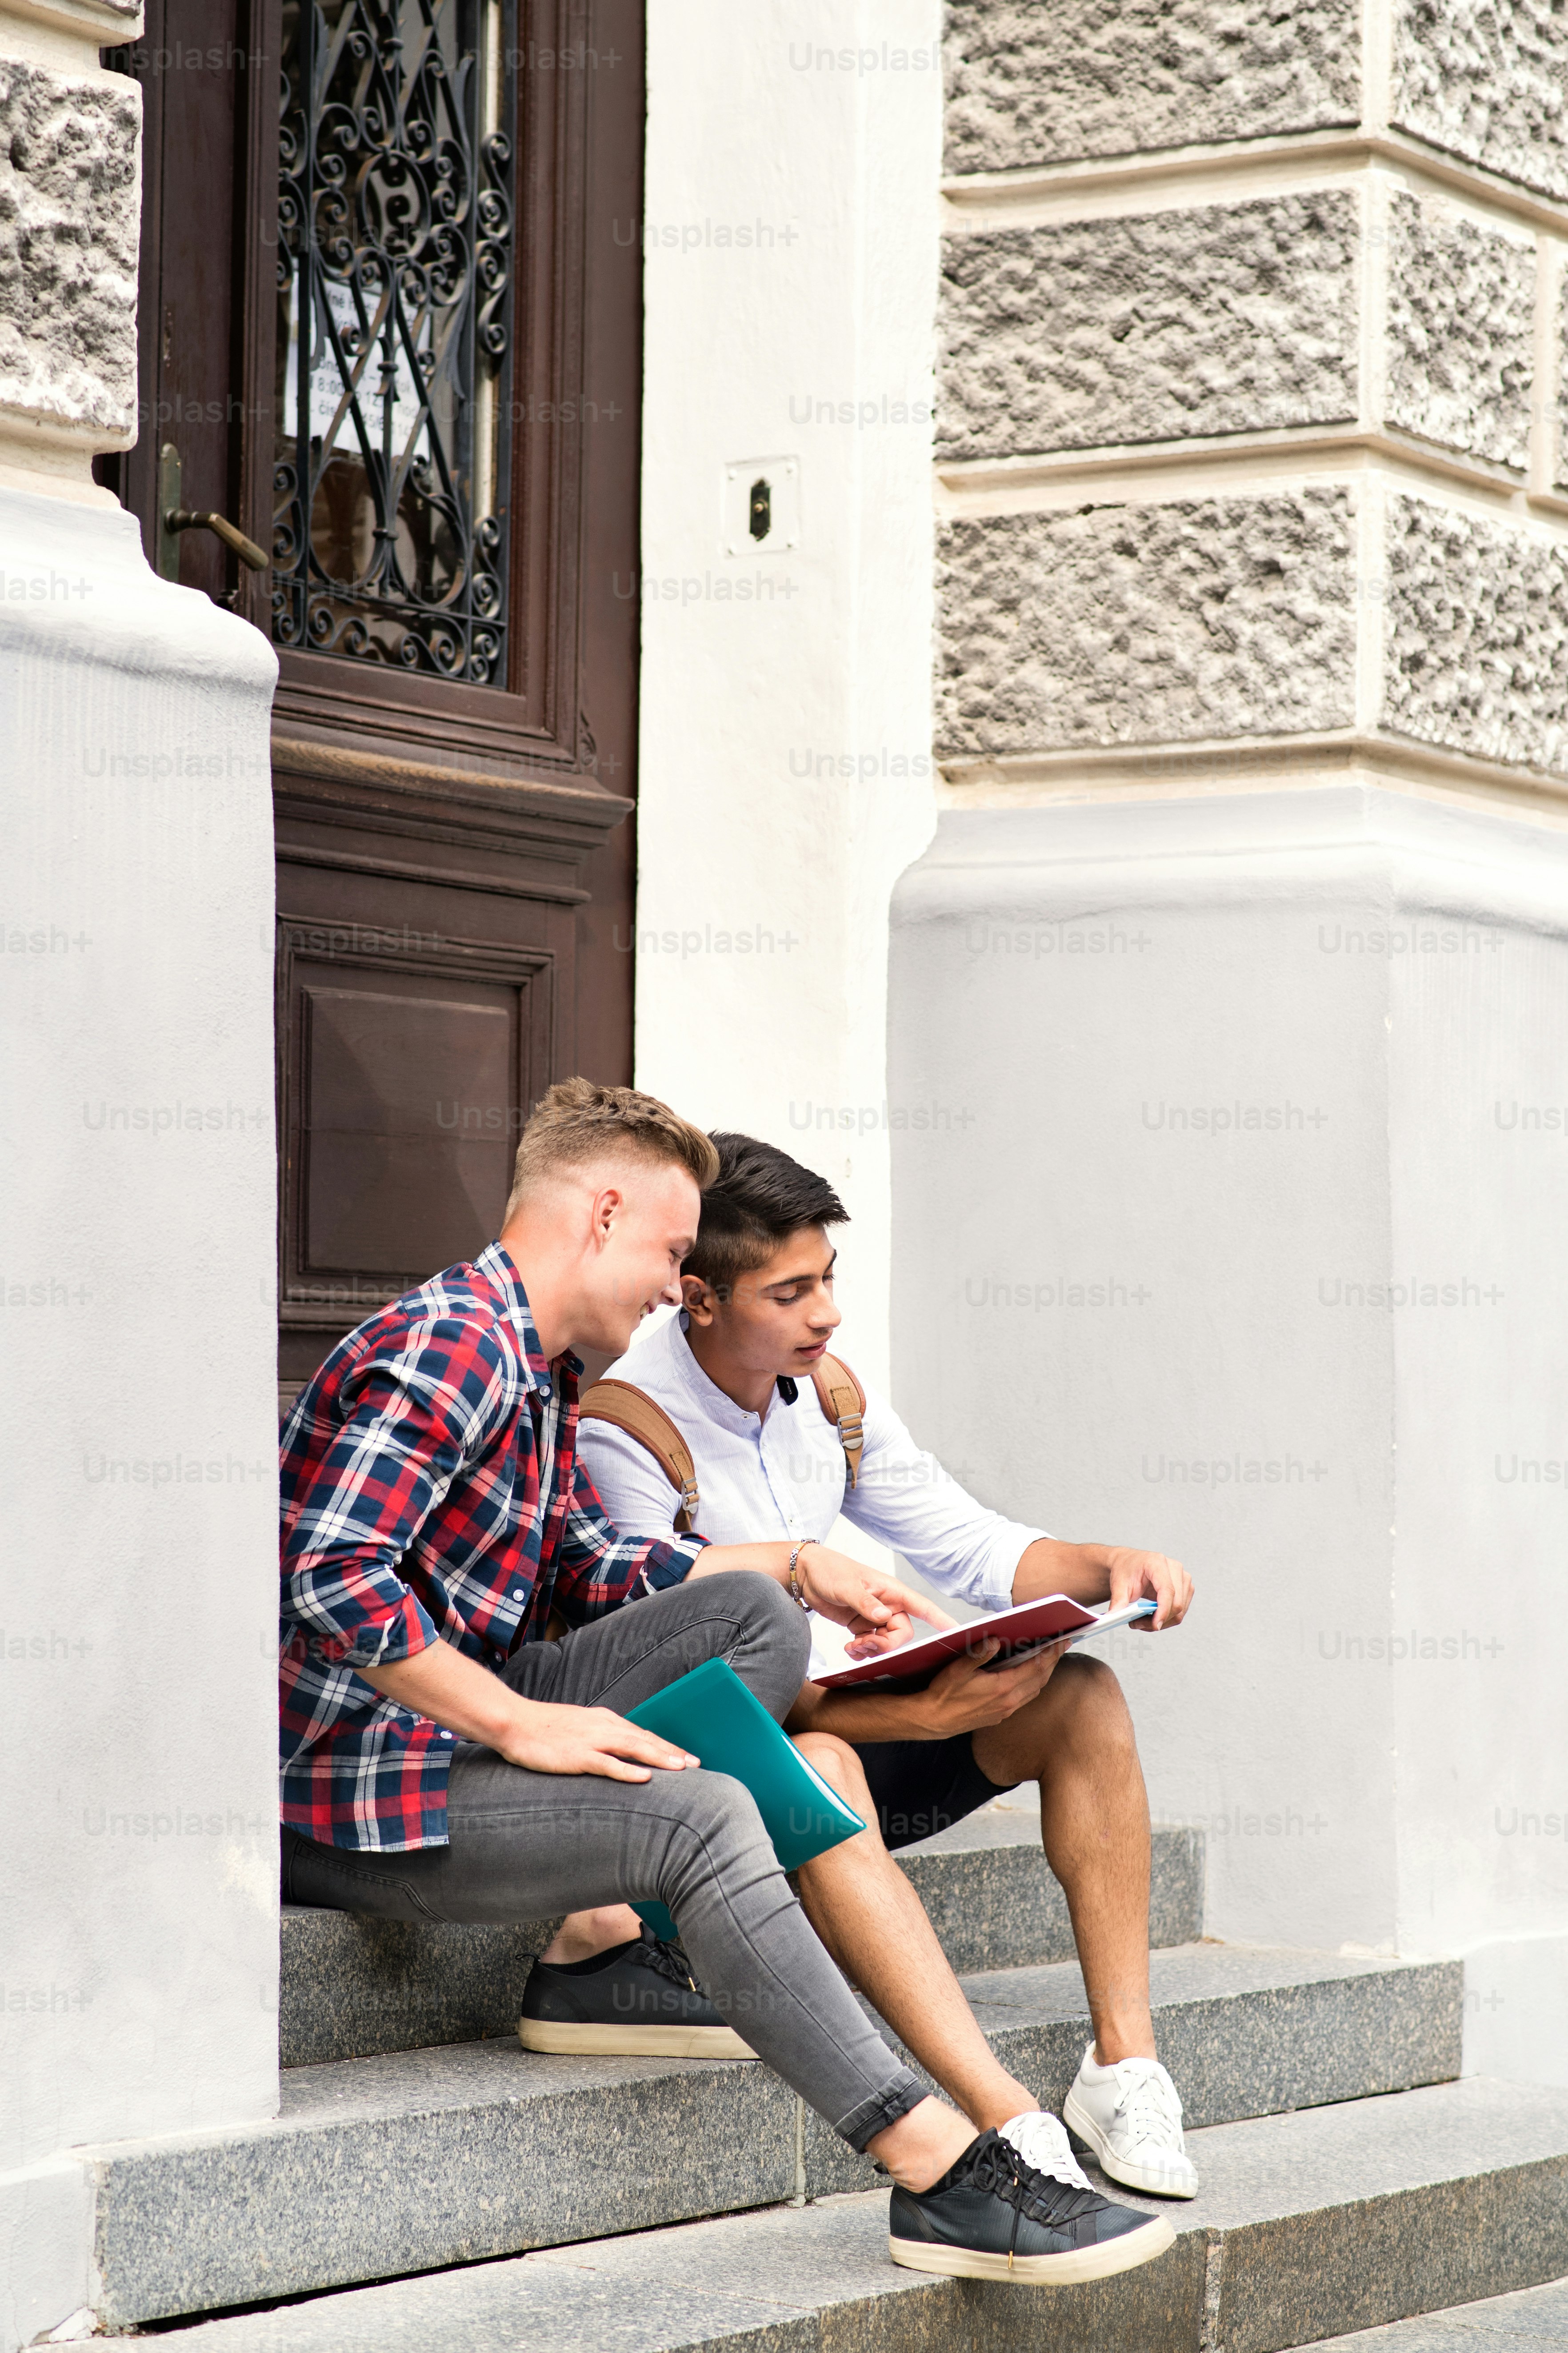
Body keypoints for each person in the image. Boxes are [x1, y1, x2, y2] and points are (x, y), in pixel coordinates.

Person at [277, 1079, 1176, 2286]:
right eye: (665, 1247)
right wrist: (520, 1723)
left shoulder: (532, 1361)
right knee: (711, 1815)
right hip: (364, 1792)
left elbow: (591, 1564)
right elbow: (333, 1578)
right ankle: (944, 2172)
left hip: (456, 1734)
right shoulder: (451, 1346)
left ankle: (613, 1948)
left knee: (749, 1614)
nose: (669, 1279)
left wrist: (799, 1568)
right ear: (601, 1211)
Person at [575, 1130, 1200, 2200]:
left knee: (1082, 1695)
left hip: (852, 1727)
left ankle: (1123, 2064)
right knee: (821, 1757)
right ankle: (1000, 2114)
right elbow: (690, 1701)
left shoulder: (829, 1397)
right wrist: (915, 1717)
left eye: (829, 1281)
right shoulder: (622, 1432)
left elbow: (973, 1543)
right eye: (792, 1291)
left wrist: (1108, 1565)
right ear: (701, 1297)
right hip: (735, 1786)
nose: (827, 1313)